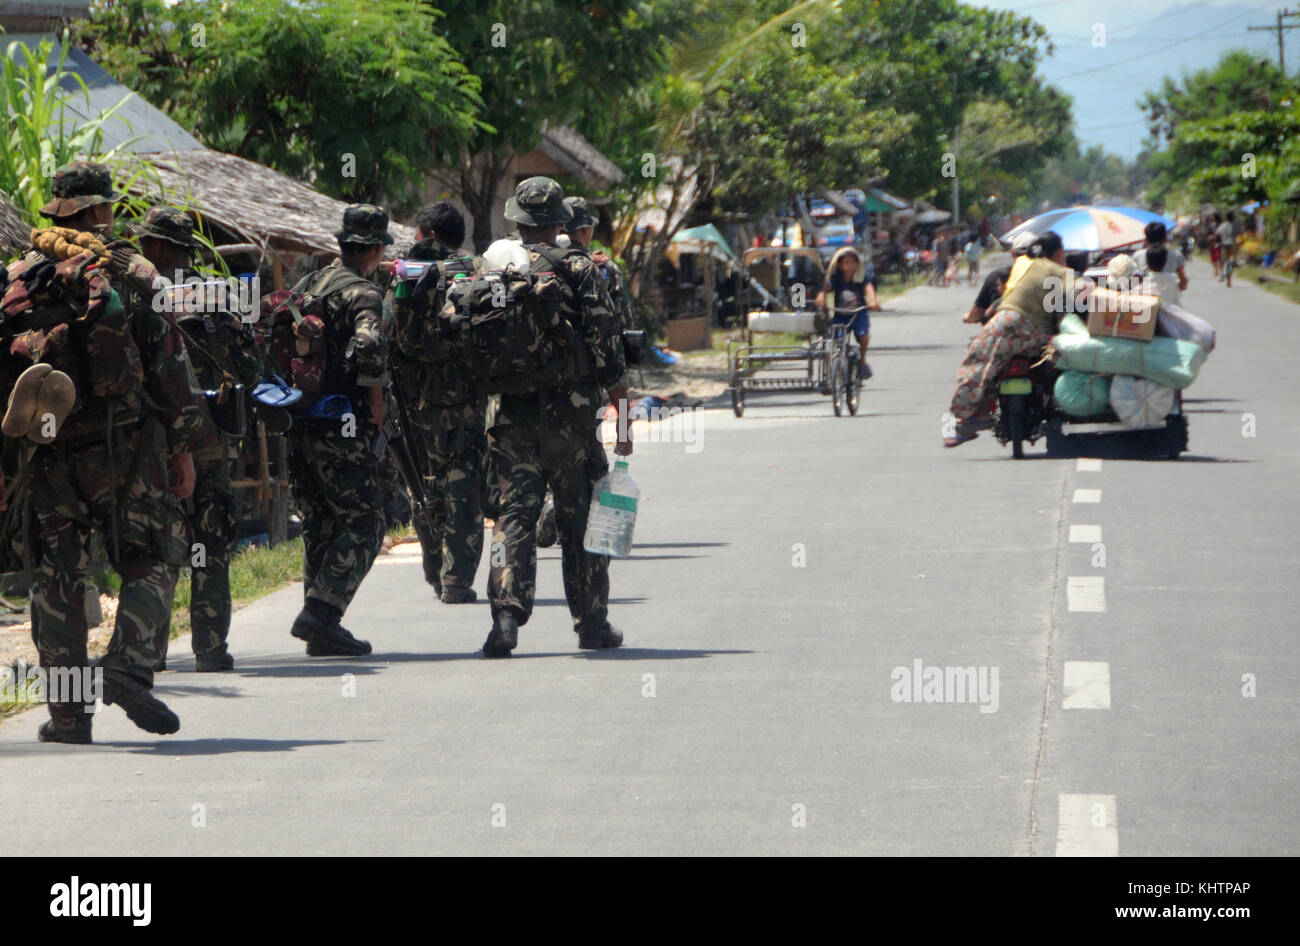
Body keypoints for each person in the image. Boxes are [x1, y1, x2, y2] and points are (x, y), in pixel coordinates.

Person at [0, 162, 212, 742]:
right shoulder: (128, 271)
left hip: (46, 450)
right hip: (127, 447)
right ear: (103, 210)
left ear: (56, 208)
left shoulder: (20, 279)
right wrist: (186, 446)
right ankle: (126, 668)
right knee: (153, 556)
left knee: (58, 579)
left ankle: (68, 717)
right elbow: (170, 365)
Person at [482, 177, 631, 658]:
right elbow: (606, 347)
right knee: (581, 520)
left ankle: (506, 617)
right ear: (560, 222)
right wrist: (624, 416)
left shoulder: (496, 266)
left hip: (510, 415)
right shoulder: (580, 268)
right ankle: (592, 624)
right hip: (570, 419)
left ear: (518, 222)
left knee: (513, 519)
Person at [134, 208, 263, 672]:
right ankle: (210, 649)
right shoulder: (220, 299)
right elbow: (252, 371)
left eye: (147, 243)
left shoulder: (134, 296)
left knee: (159, 549)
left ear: (157, 247)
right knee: (211, 543)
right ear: (187, 252)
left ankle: (152, 652)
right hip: (208, 444)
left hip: (150, 448)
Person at [284, 204, 392, 657]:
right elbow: (368, 343)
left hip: (299, 419)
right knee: (366, 521)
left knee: (321, 521)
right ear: (375, 248)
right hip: (342, 423)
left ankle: (320, 623)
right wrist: (377, 400)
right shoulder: (362, 292)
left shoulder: (306, 286)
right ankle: (322, 613)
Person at [384, 201, 485, 602]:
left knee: (422, 483)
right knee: (463, 484)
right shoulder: (474, 270)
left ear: (425, 234)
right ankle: (456, 578)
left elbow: (388, 326)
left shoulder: (403, 274)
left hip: (413, 401)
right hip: (466, 397)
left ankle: (433, 569)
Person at [944, 231, 1092, 448]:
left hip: (1003, 319)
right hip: (1030, 329)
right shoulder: (1059, 271)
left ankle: (967, 415)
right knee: (1056, 358)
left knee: (978, 360)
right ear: (1060, 252)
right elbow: (1083, 294)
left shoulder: (1025, 266)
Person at [815, 246, 874, 379]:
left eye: (853, 262)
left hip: (858, 314)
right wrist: (821, 296)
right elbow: (826, 289)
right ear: (840, 265)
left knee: (863, 335)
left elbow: (868, 288)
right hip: (840, 315)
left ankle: (863, 360)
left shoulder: (861, 277)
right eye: (846, 263)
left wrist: (873, 301)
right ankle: (831, 372)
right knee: (832, 340)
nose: (850, 266)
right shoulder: (836, 278)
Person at [964, 231, 1036, 325]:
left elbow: (976, 314)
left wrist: (968, 317)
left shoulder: (997, 276)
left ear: (1012, 253)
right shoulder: (1049, 277)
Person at [1131, 221, 1188, 306]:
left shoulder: (1138, 255)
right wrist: (1172, 289)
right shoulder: (1176, 256)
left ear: (1146, 239)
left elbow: (1133, 282)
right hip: (1169, 304)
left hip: (1145, 304)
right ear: (1165, 238)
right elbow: (1183, 283)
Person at [1216, 212, 1237, 287]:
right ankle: (1229, 280)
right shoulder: (1235, 226)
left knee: (1223, 261)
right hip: (1232, 246)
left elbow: (1217, 233)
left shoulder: (1223, 225)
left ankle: (1222, 275)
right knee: (1231, 261)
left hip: (1224, 245)